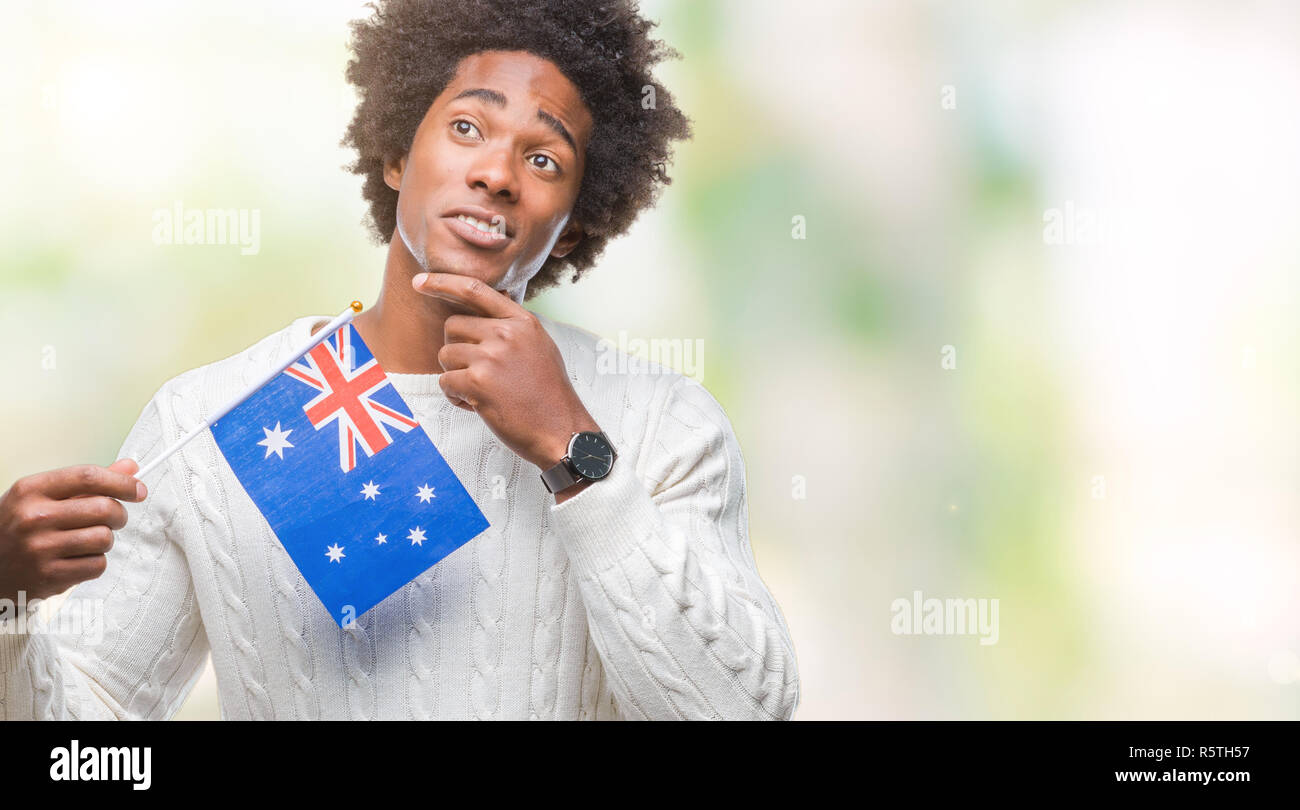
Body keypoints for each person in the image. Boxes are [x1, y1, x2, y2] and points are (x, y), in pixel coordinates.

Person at [0, 0, 799, 720]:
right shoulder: (216, 417)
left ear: (578, 224)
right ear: (394, 156)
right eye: (466, 128)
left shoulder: (664, 425)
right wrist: (6, 602)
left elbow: (746, 712)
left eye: (544, 159)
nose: (496, 174)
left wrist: (572, 450)